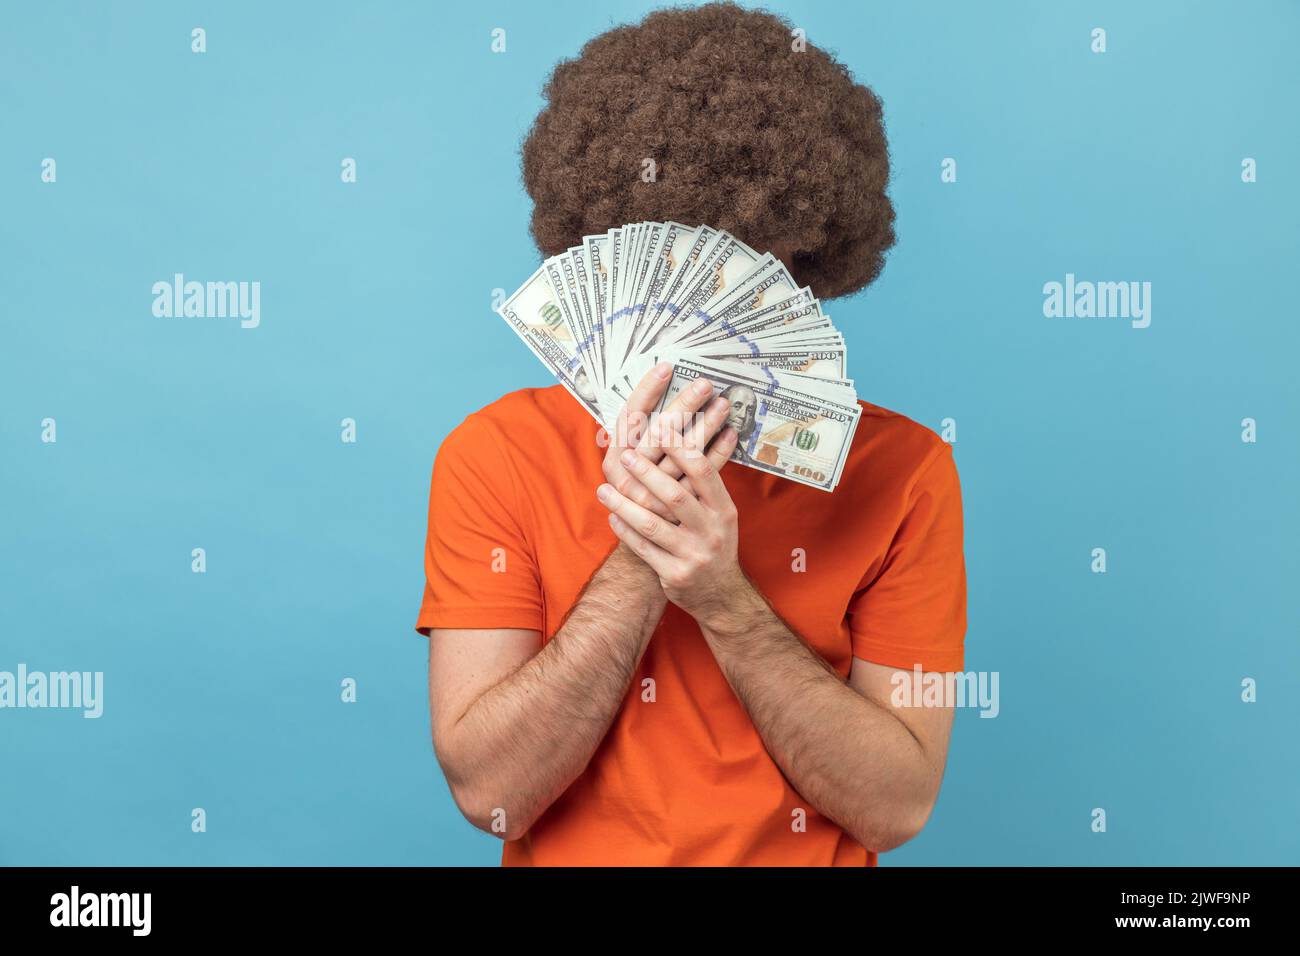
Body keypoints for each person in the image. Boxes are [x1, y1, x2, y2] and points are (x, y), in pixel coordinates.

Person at [417, 2, 966, 866]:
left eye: (746, 281)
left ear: (803, 265)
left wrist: (724, 601)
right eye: (674, 269)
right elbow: (491, 794)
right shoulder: (495, 456)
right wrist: (647, 546)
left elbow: (896, 807)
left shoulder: (900, 472)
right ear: (612, 254)